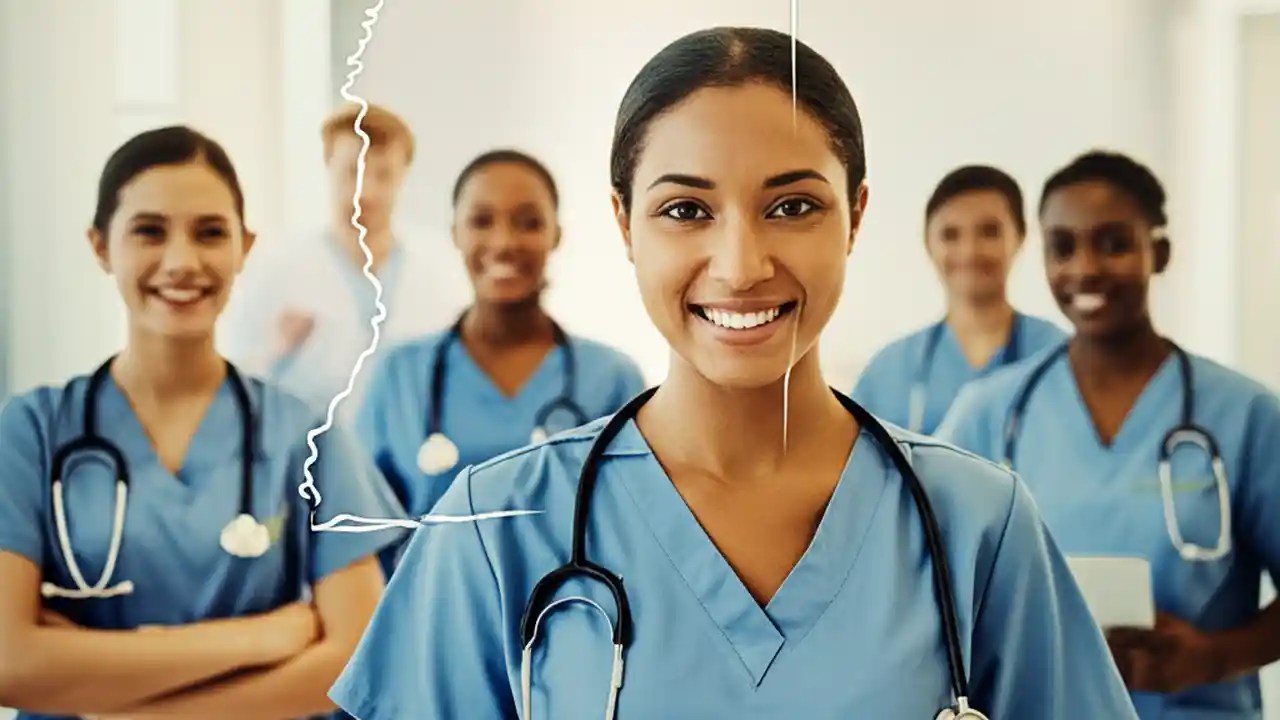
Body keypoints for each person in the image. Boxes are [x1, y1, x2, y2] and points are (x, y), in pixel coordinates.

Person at [328, 28, 1138, 718]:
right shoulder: (492, 529)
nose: (741, 265)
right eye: (686, 210)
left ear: (855, 216)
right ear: (624, 223)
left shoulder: (979, 525)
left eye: (792, 206)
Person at [0, 126, 407, 719]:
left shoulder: (307, 439)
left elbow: (354, 661)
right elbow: (10, 661)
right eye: (149, 231)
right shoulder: (32, 431)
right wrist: (257, 638)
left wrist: (118, 707)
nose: (182, 262)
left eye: (210, 233)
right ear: (100, 246)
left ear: (245, 247)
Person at [937, 150, 1280, 718]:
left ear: (1158, 252)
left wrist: (1213, 657)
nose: (1086, 269)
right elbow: (929, 573)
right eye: (1063, 247)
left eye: (1114, 244)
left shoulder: (1245, 415)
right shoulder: (989, 413)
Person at [355, 149, 645, 573]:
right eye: (481, 221)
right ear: (455, 233)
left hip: (575, 609)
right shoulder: (400, 375)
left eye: (529, 222)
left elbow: (634, 531)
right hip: (431, 609)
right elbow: (363, 538)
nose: (505, 242)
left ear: (556, 235)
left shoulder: (612, 379)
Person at [218, 102, 447, 423]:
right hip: (307, 447)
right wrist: (274, 351)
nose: (365, 192)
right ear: (328, 165)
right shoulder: (276, 268)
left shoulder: (440, 271)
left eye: (383, 174)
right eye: (352, 171)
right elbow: (236, 385)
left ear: (404, 176)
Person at [851, 165, 1066, 434]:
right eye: (950, 235)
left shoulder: (1056, 355)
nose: (969, 251)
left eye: (989, 232)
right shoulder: (889, 370)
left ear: (1020, 237)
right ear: (928, 244)